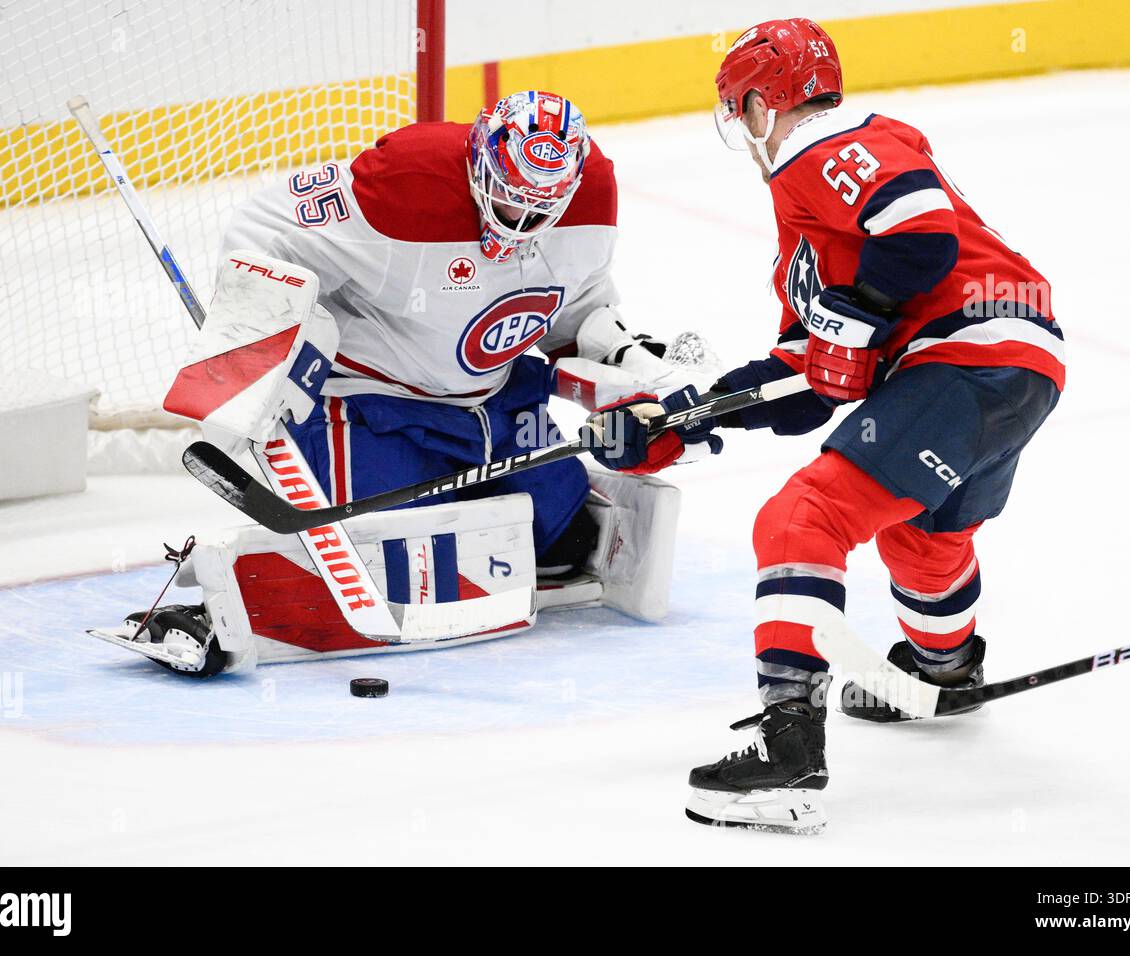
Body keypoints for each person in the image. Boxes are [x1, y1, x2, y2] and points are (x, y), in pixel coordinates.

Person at [586, 19, 1063, 833]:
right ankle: (942, 667)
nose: (744, 129)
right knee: (923, 536)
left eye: (743, 109)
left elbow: (919, 228)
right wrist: (682, 420)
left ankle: (788, 754)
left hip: (963, 358)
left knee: (801, 519)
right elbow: (807, 377)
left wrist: (865, 308)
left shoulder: (822, 141)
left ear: (763, 104)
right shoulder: (809, 229)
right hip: (1015, 365)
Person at [107, 90, 720, 676]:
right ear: (480, 161)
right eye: (509, 198)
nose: (523, 220)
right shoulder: (406, 185)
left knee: (564, 536)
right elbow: (265, 228)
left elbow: (574, 310)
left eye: (542, 205)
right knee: (400, 552)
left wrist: (640, 375)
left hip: (494, 403)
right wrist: (264, 336)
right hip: (372, 404)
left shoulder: (592, 197)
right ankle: (219, 609)